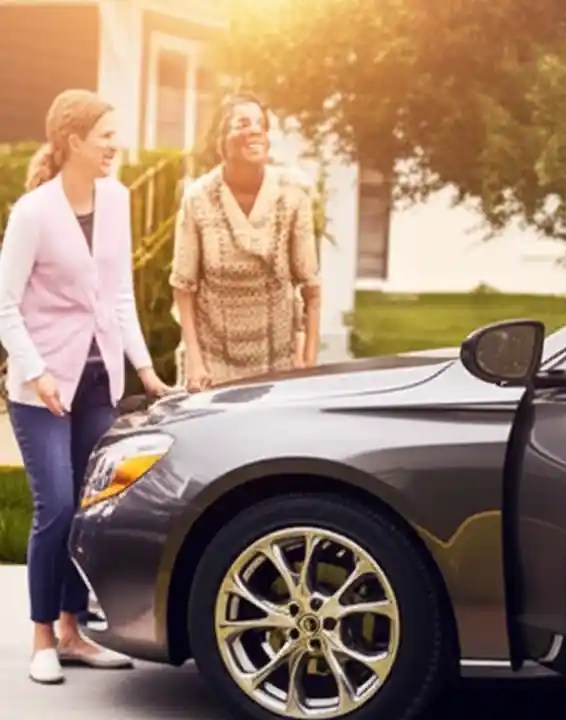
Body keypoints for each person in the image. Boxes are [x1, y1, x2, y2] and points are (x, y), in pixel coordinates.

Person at [0, 88, 171, 684]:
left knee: (94, 505)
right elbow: (4, 304)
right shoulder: (34, 212)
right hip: (41, 384)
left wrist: (146, 370)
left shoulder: (118, 200)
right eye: (105, 137)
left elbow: (118, 294)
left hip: (99, 377)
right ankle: (43, 635)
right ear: (73, 141)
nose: (115, 147)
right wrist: (38, 371)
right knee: (57, 506)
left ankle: (75, 631)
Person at [169, 92, 321, 392]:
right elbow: (182, 288)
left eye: (260, 124)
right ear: (221, 141)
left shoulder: (293, 194)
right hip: (214, 365)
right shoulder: (199, 198)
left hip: (278, 365)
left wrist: (309, 361)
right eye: (242, 123)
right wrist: (196, 365)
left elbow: (311, 288)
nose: (255, 130)